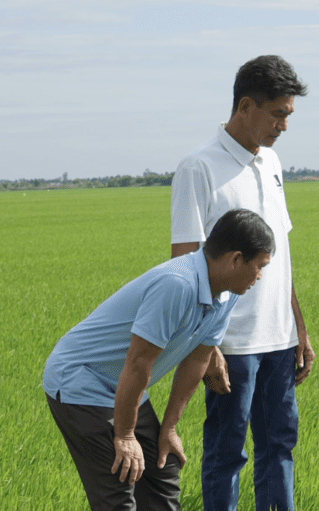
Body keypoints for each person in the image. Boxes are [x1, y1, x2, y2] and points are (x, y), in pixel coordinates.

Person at [43, 209, 275, 511]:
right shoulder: (177, 284)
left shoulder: (227, 293)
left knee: (162, 471)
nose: (259, 276)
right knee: (118, 488)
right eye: (259, 267)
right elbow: (139, 362)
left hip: (122, 384)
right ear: (235, 259)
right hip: (80, 380)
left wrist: (169, 428)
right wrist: (125, 435)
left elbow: (197, 360)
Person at [170, 55, 313, 511]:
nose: (283, 126)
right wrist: (205, 344)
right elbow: (184, 263)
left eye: (288, 116)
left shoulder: (271, 163)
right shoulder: (198, 168)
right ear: (245, 106)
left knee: (279, 446)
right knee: (228, 452)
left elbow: (280, 255)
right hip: (229, 342)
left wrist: (299, 329)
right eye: (277, 114)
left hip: (278, 338)